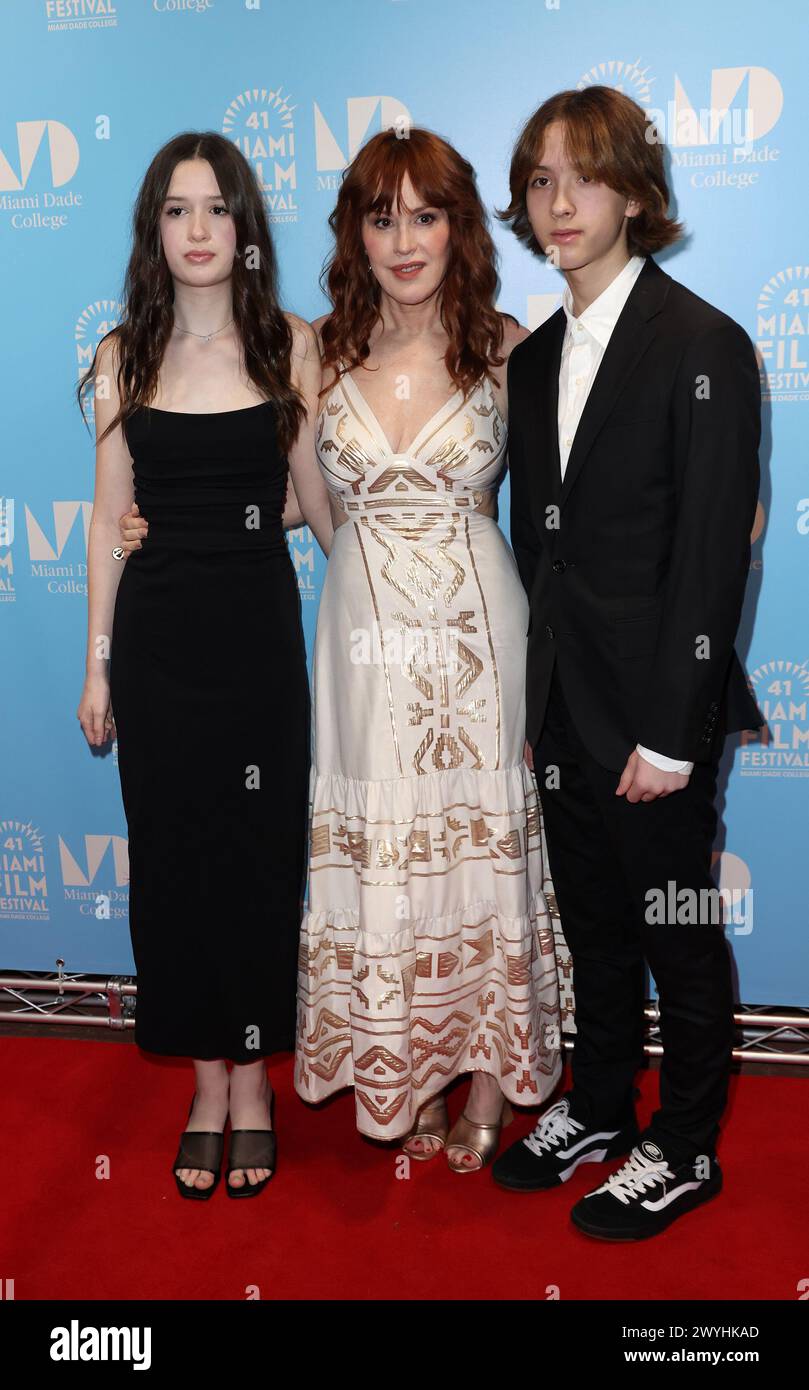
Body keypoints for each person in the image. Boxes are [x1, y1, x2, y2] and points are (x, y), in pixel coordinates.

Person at [492, 86, 764, 1237]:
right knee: (594, 932)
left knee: (676, 934)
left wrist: (667, 731)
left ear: (634, 193)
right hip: (561, 712)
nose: (559, 204)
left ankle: (687, 1144)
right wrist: (532, 703)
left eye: (582, 178)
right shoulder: (533, 356)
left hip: (659, 719)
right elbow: (536, 551)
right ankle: (601, 1104)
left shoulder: (701, 343)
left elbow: (711, 558)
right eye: (540, 182)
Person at [294, 127, 563, 1171]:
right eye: (379, 216)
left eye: (425, 214)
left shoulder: (504, 344)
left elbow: (554, 503)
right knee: (386, 851)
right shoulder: (318, 352)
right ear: (353, 235)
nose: (403, 239)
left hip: (477, 637)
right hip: (361, 643)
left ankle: (488, 1085)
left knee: (476, 853)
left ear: (458, 226)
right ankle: (396, 1068)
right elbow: (311, 507)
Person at [77, 131, 332, 1200]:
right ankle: (205, 1084)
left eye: (215, 209)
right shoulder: (118, 358)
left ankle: (257, 1083)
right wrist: (98, 665)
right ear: (155, 229)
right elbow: (103, 519)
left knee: (258, 859)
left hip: (257, 643)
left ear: (245, 229)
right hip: (158, 647)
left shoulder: (293, 347)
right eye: (177, 210)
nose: (196, 230)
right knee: (176, 864)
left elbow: (316, 505)